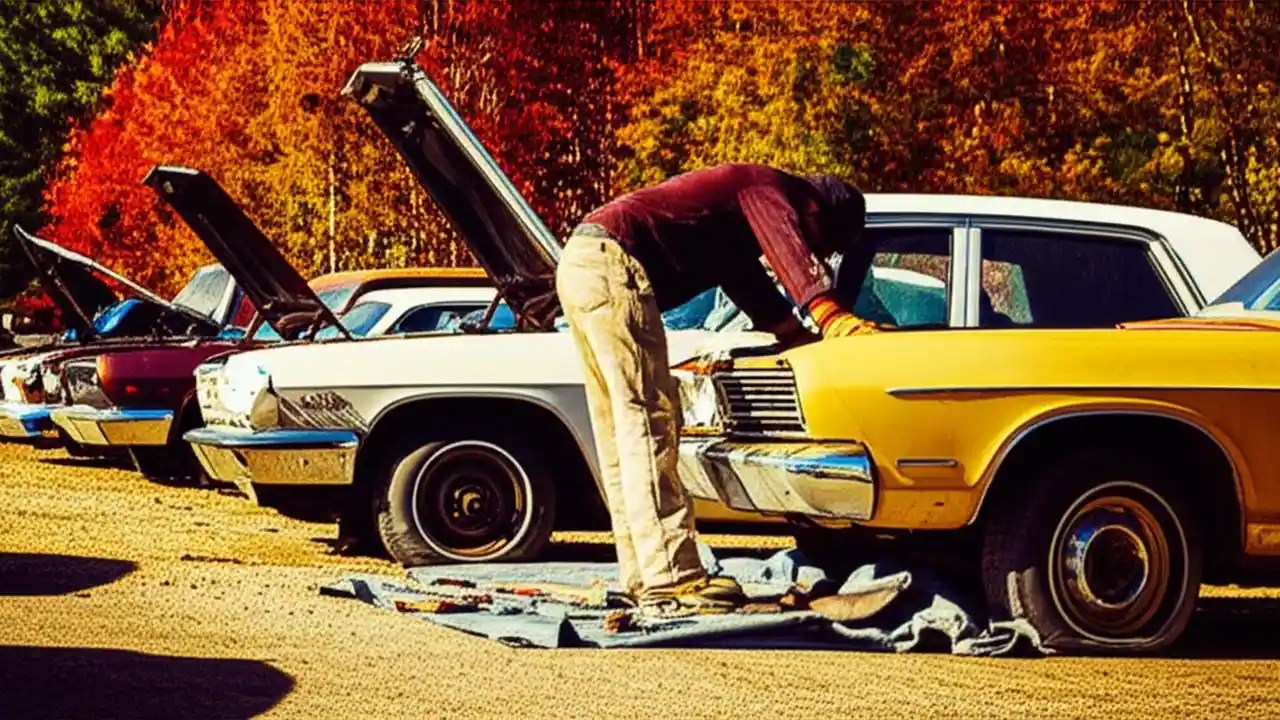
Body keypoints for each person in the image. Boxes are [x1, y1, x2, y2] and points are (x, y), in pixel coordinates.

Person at [555, 163, 875, 618]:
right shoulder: (770, 189)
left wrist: (795, 336)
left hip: (584, 260)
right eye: (823, 243)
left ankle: (643, 575)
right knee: (649, 424)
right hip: (616, 262)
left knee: (619, 432)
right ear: (814, 211)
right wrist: (833, 317)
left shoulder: (729, 222)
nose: (818, 252)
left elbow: (747, 283)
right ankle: (676, 579)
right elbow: (785, 244)